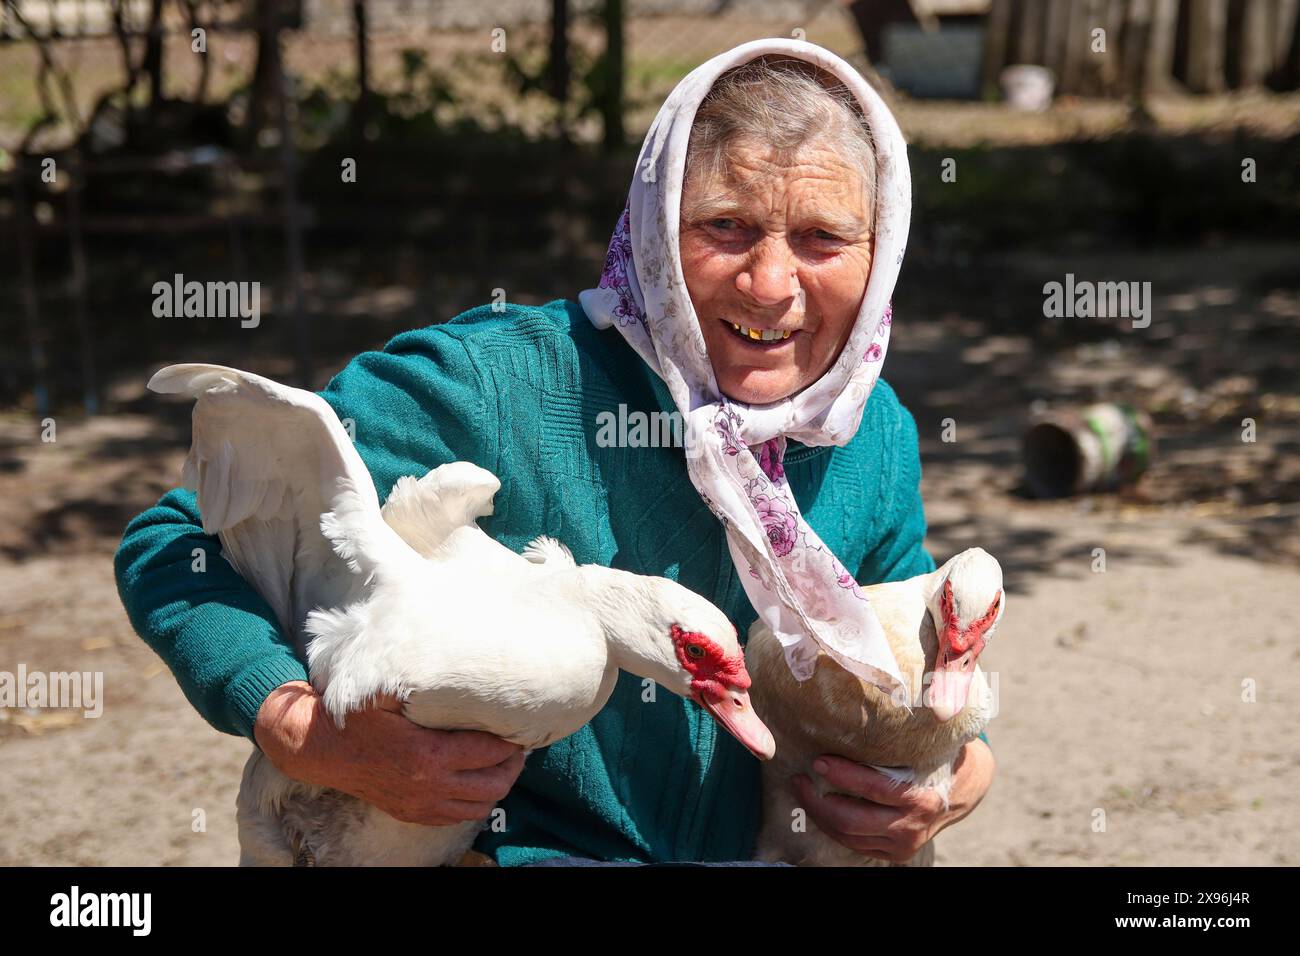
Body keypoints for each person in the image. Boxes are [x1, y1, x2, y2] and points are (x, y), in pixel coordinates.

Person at [115, 38, 994, 866]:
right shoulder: (491, 386)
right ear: (653, 225)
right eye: (723, 226)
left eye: (822, 239)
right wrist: (301, 729)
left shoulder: (872, 436)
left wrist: (957, 781)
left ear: (882, 253)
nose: (770, 283)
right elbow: (175, 545)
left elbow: (911, 645)